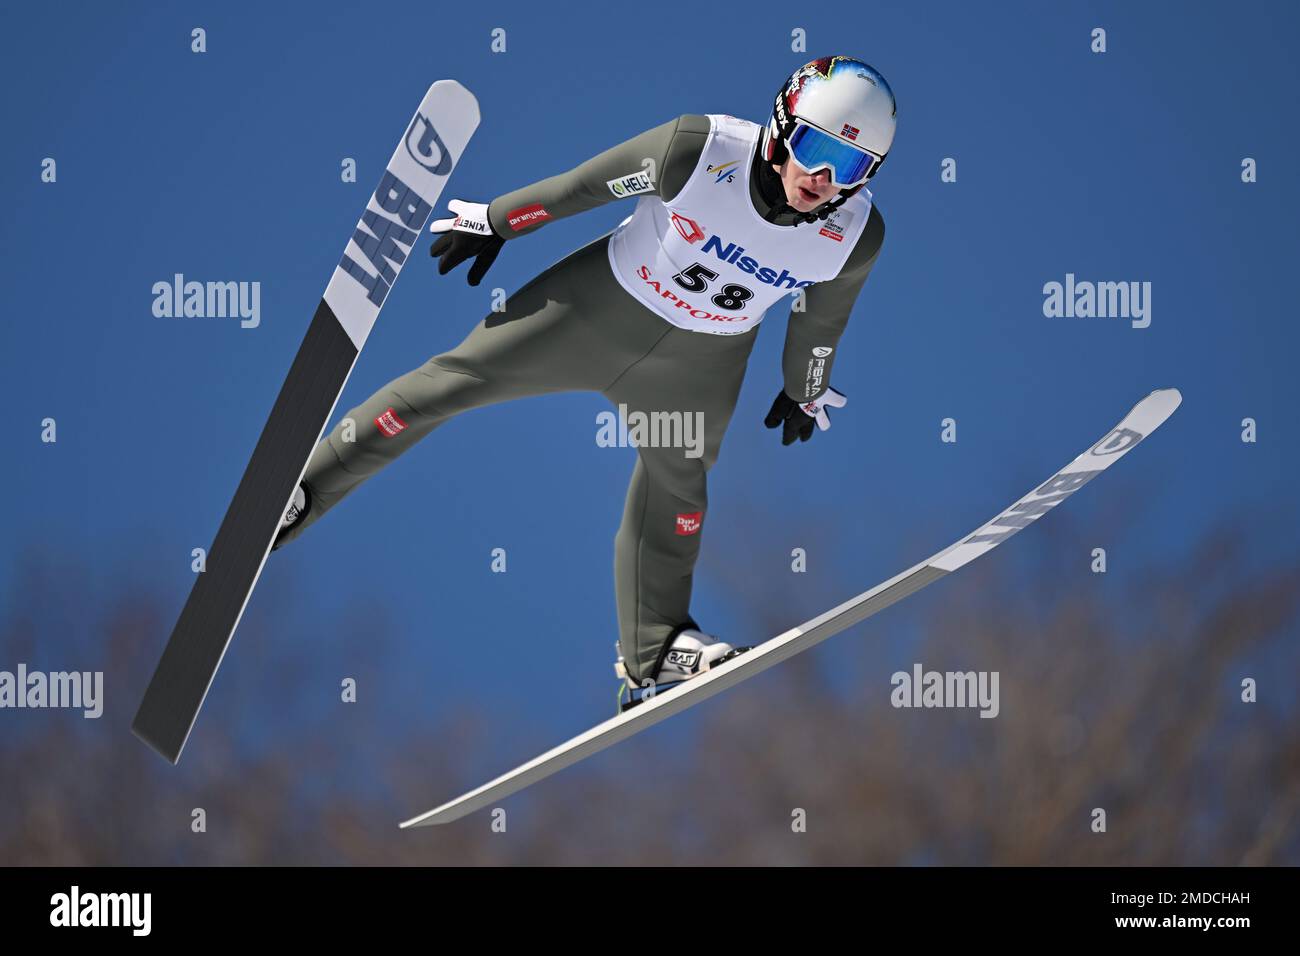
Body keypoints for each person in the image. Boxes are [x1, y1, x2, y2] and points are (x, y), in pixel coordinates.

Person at [274, 55, 896, 707]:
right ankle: (301, 491)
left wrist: (805, 387)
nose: (824, 179)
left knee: (679, 488)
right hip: (592, 312)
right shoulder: (700, 150)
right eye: (815, 149)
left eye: (850, 168)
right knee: (453, 382)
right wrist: (496, 219)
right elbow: (579, 189)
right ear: (781, 125)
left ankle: (655, 650)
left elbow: (822, 322)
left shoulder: (853, 235)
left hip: (697, 367)